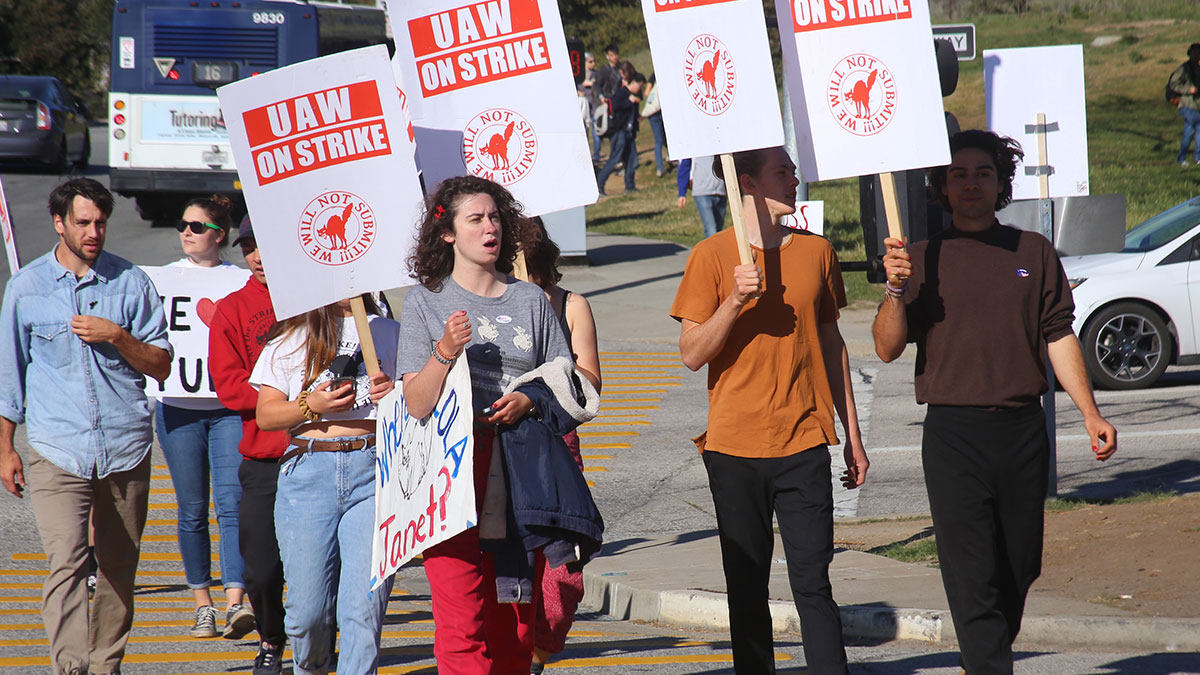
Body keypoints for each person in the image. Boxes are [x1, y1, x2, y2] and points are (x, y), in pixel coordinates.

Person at [872, 129, 1118, 675]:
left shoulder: (1032, 251)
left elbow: (1058, 334)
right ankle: (988, 664)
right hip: (953, 436)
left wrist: (1090, 412)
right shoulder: (919, 258)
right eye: (957, 174)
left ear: (1001, 182)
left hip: (1022, 432)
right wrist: (894, 290)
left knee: (1018, 567)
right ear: (941, 186)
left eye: (982, 173)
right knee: (970, 571)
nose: (970, 183)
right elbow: (886, 348)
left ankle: (979, 658)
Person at [669, 148, 869, 675]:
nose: (795, 178)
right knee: (746, 588)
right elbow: (691, 354)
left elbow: (833, 345)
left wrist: (853, 435)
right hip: (734, 449)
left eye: (793, 170)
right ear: (749, 183)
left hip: (804, 441)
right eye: (783, 171)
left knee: (814, 583)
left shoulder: (818, 251)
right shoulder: (711, 256)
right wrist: (734, 301)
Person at [398, 176, 579, 674]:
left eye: (495, 217)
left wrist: (528, 398)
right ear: (448, 233)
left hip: (520, 471)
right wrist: (444, 352)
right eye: (475, 219)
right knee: (460, 624)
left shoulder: (531, 300)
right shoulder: (425, 301)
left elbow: (566, 385)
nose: (489, 228)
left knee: (515, 627)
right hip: (450, 471)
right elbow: (415, 402)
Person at [0, 178, 173, 675]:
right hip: (58, 447)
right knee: (67, 563)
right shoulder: (26, 288)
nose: (94, 232)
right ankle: (71, 667)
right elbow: (9, 378)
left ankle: (105, 664)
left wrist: (118, 336)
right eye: (83, 222)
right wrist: (6, 448)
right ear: (59, 224)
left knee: (118, 567)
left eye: (100, 222)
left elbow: (161, 365)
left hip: (125, 446)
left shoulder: (131, 282)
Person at [251, 295, 398, 675]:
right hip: (308, 472)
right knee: (307, 615)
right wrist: (310, 405)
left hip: (374, 468)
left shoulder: (391, 331)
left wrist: (396, 395)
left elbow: (420, 402)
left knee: (363, 611)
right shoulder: (291, 337)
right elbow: (266, 415)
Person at [154, 195, 254, 639]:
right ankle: (202, 604)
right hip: (177, 410)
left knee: (232, 505)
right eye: (183, 225)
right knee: (192, 509)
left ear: (219, 235)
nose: (186, 232)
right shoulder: (161, 278)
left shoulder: (241, 280)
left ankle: (235, 602)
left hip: (229, 409)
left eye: (196, 226)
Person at [208, 217, 291, 674]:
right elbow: (229, 386)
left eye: (266, 246)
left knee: (321, 566)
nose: (258, 257)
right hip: (263, 458)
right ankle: (271, 638)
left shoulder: (313, 302)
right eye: (249, 248)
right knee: (259, 568)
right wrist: (289, 401)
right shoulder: (232, 309)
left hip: (315, 452)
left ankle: (317, 636)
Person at [520, 217, 602, 673]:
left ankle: (537, 654)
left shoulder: (571, 305)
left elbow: (590, 380)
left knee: (562, 578)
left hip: (556, 447)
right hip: (503, 448)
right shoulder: (487, 302)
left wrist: (540, 381)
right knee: (510, 573)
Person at [596, 63, 642, 196]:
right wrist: (629, 102)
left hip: (629, 132)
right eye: (639, 86)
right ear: (634, 83)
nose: (640, 89)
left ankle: (630, 186)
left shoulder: (632, 94)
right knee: (614, 159)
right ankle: (599, 185)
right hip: (619, 131)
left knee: (632, 159)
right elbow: (615, 107)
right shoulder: (622, 92)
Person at [677, 155, 728, 238]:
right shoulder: (696, 148)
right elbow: (685, 166)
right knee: (711, 230)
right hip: (702, 192)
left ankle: (714, 246)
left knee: (719, 231)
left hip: (721, 192)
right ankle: (711, 246)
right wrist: (682, 193)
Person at [1169, 43, 1200, 166]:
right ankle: (1198, 158)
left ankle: (1181, 159)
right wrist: (1188, 89)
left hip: (1197, 107)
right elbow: (1173, 84)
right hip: (1187, 106)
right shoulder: (1184, 68)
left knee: (1189, 132)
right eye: (1194, 52)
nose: (1197, 54)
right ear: (1189, 53)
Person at [592, 45, 622, 165]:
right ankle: (599, 155)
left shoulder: (621, 68)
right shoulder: (603, 71)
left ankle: (617, 156)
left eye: (615, 55)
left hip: (618, 103)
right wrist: (601, 97)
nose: (614, 57)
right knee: (605, 129)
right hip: (606, 104)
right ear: (607, 56)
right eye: (611, 55)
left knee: (617, 132)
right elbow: (597, 86)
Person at [641, 73, 671, 177]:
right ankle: (661, 167)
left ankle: (667, 160)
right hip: (658, 113)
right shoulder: (659, 76)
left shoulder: (654, 77)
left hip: (654, 113)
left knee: (663, 138)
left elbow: (647, 93)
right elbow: (647, 93)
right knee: (660, 140)